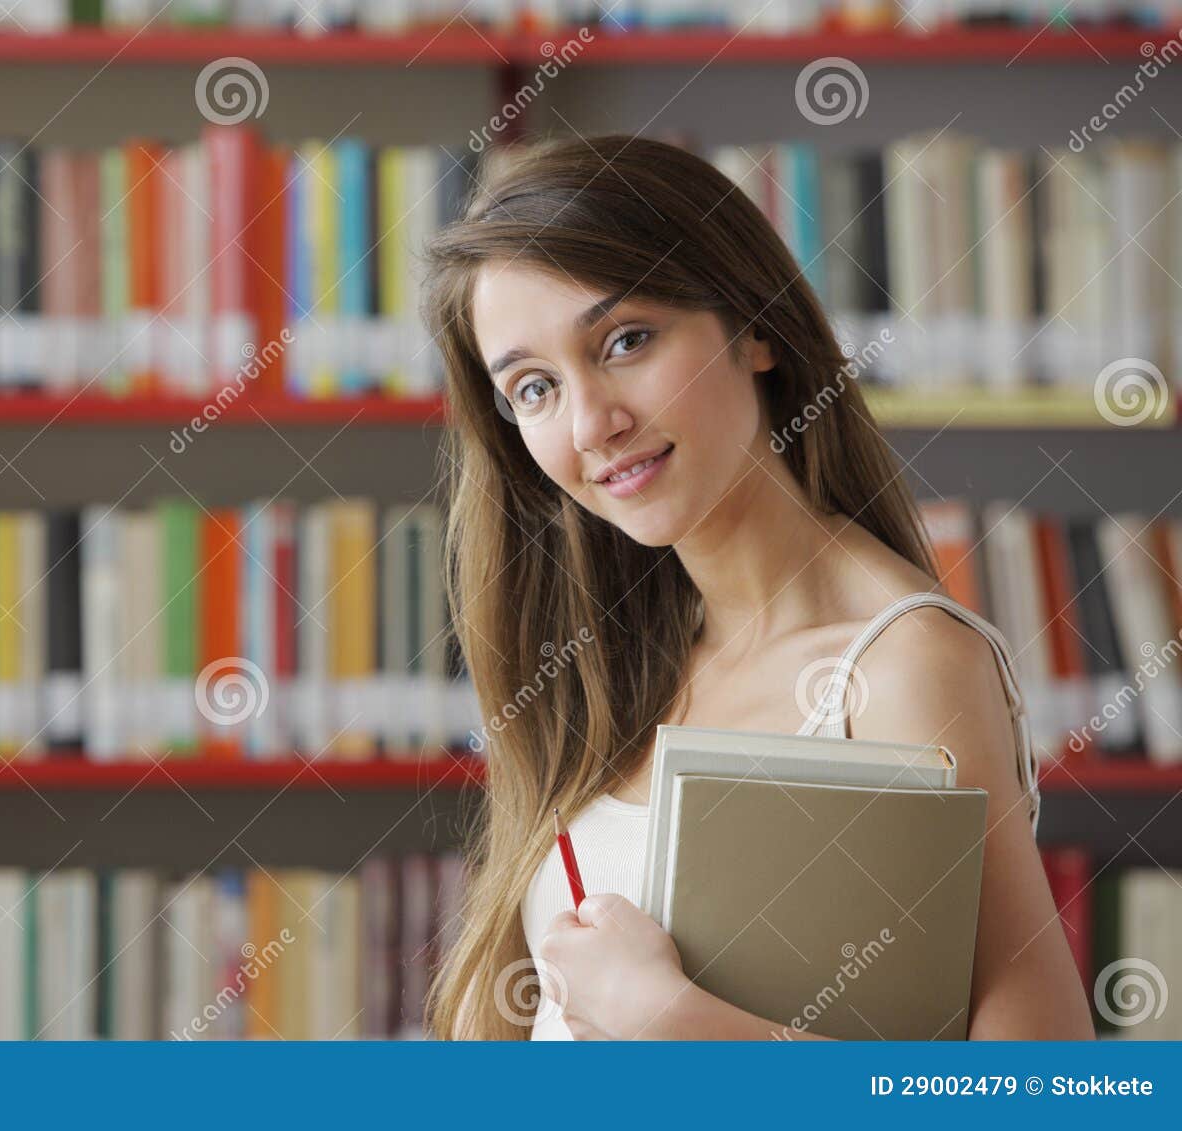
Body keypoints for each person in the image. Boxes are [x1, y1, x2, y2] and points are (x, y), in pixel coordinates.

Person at [419, 135, 1093, 1041]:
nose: (592, 424)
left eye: (626, 340)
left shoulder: (903, 668)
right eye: (534, 388)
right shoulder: (611, 659)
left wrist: (671, 1020)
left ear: (756, 329)